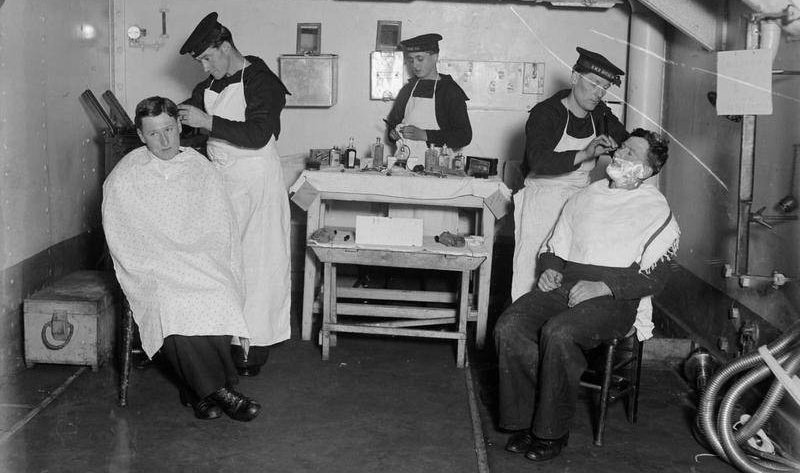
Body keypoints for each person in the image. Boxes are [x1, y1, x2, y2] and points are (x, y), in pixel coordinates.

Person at [494, 129, 679, 462]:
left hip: (615, 298)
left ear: (648, 171)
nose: (621, 154)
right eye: (622, 148)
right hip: (567, 284)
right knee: (511, 325)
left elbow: (656, 276)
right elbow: (556, 244)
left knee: (559, 333)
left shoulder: (656, 209)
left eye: (631, 154)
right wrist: (550, 267)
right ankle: (523, 422)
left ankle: (551, 432)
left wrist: (604, 286)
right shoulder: (586, 195)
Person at [103, 96, 260, 422]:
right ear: (140, 134)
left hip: (200, 256)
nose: (164, 140)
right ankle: (224, 390)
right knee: (172, 301)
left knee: (217, 289)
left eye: (169, 130)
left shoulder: (199, 167)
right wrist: (156, 259)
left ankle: (198, 393)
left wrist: (204, 254)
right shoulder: (127, 174)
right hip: (152, 265)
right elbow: (121, 232)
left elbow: (222, 224)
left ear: (179, 126)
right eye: (153, 133)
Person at [178, 12, 292, 377]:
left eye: (209, 58)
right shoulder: (209, 86)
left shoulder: (262, 81)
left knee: (257, 264)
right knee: (226, 262)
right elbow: (192, 128)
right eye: (201, 62)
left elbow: (259, 133)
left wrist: (206, 122)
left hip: (256, 180)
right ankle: (225, 338)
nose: (206, 67)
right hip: (222, 180)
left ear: (225, 47)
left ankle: (253, 346)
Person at [511, 47, 629, 301]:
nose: (599, 93)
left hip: (579, 204)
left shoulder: (601, 115)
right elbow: (538, 160)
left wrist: (633, 150)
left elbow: (628, 142)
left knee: (571, 275)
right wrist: (585, 153)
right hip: (542, 203)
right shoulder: (546, 113)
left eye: (604, 87)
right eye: (594, 83)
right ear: (575, 77)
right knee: (530, 276)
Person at [384, 33, 472, 237]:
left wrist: (426, 135)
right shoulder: (407, 90)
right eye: (411, 60)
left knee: (434, 232)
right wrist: (393, 134)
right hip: (404, 171)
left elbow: (464, 135)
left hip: (437, 175)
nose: (414, 65)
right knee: (400, 232)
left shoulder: (450, 91)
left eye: (420, 59)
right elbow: (392, 126)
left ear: (435, 57)